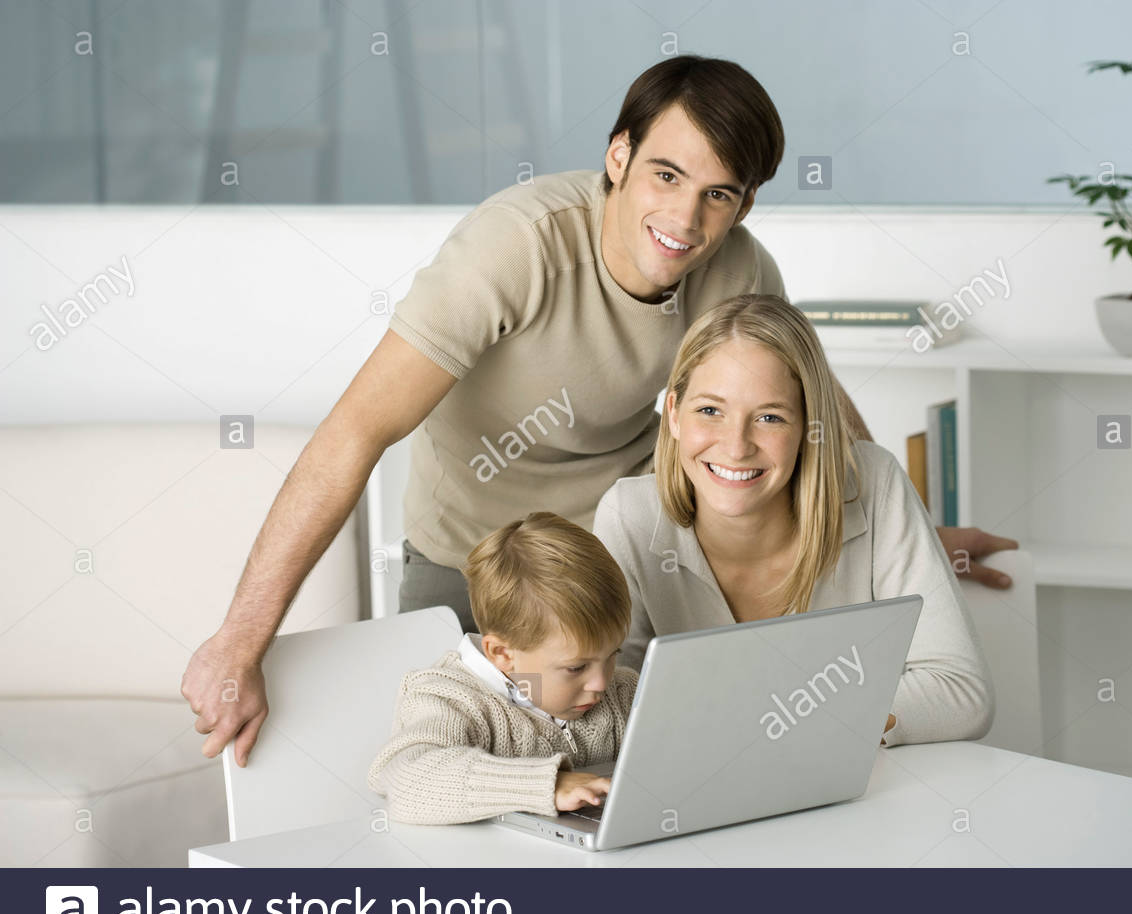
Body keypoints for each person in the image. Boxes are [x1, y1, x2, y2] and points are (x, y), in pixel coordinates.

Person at [182, 55, 1013, 769]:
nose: (686, 219)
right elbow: (353, 434)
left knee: (631, 764)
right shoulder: (519, 246)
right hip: (478, 556)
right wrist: (239, 640)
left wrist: (908, 533)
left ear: (745, 207)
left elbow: (810, 400)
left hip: (618, 551)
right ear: (619, 156)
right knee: (456, 761)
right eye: (667, 175)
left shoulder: (739, 268)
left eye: (719, 195)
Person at [593, 294, 995, 748]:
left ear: (809, 427)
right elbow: (608, 704)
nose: (737, 446)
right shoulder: (629, 516)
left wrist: (779, 727)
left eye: (770, 417)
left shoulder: (875, 483)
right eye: (709, 410)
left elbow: (962, 693)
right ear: (674, 415)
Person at [367, 512, 636, 825]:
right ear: (502, 654)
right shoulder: (447, 698)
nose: (601, 682)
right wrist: (548, 785)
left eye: (612, 654)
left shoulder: (622, 691)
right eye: (576, 668)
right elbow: (408, 783)